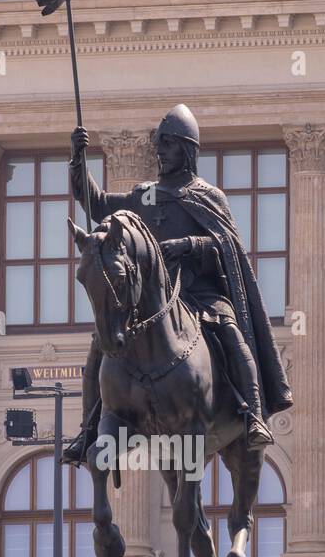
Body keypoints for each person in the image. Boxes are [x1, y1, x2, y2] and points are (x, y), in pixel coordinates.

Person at [63, 105, 292, 464]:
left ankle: (252, 415)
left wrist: (187, 246)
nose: (160, 152)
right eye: (159, 145)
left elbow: (226, 246)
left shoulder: (206, 195)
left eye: (168, 145)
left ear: (186, 150)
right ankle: (88, 430)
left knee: (230, 331)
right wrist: (79, 162)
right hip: (151, 300)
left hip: (199, 294)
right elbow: (98, 204)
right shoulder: (146, 195)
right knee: (100, 347)